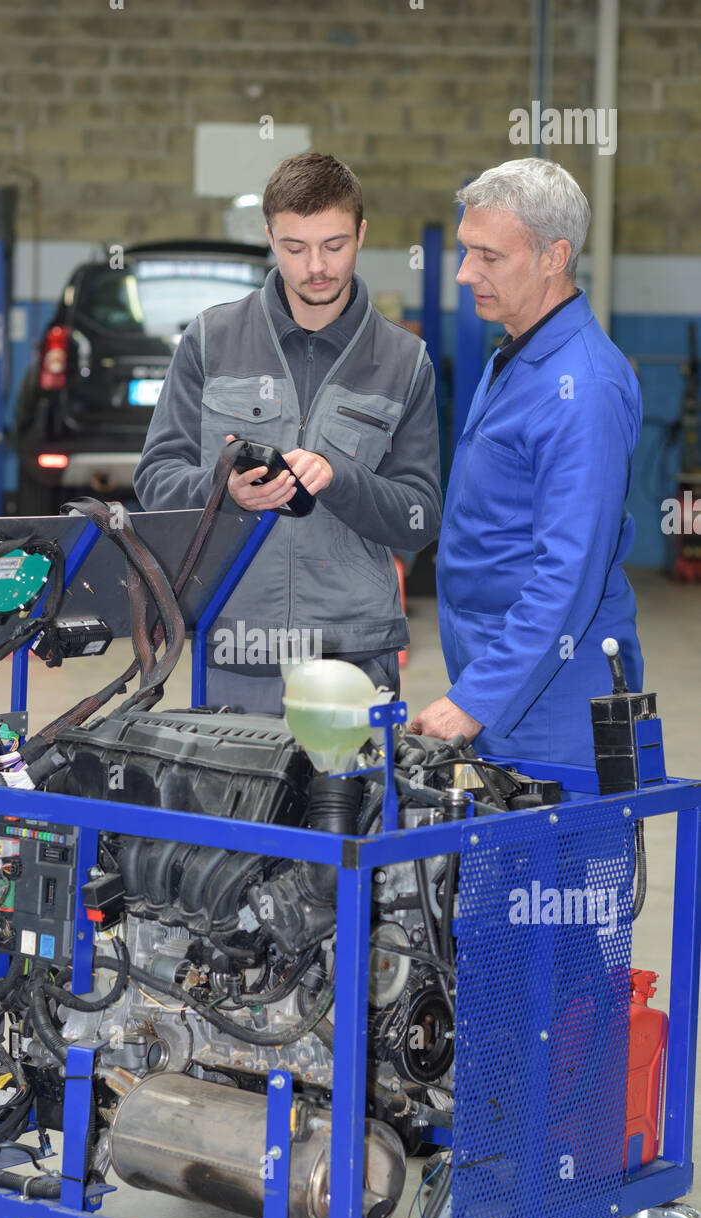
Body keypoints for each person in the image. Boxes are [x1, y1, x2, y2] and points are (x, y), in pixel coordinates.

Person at [134, 152, 441, 714]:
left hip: (354, 653)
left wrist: (341, 478)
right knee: (239, 803)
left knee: (350, 804)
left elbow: (419, 519)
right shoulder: (210, 340)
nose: (316, 267)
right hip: (235, 642)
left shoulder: (405, 360)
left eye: (335, 245)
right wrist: (223, 491)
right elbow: (155, 480)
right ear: (271, 238)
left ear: (362, 234)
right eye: (295, 247)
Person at [410, 158, 643, 765]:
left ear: (554, 256)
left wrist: (475, 700)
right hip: (502, 668)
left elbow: (569, 570)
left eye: (489, 257)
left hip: (556, 698)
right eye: (466, 252)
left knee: (546, 858)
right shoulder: (515, 352)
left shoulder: (583, 388)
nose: (465, 274)